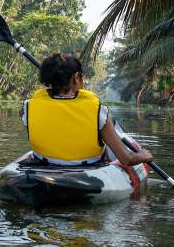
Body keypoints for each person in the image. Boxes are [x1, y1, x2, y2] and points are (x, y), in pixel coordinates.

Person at [22, 53, 153, 167]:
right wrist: (143, 155)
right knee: (107, 148)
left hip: (43, 166)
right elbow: (126, 159)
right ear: (77, 77)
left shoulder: (28, 107)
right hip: (88, 170)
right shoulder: (98, 111)